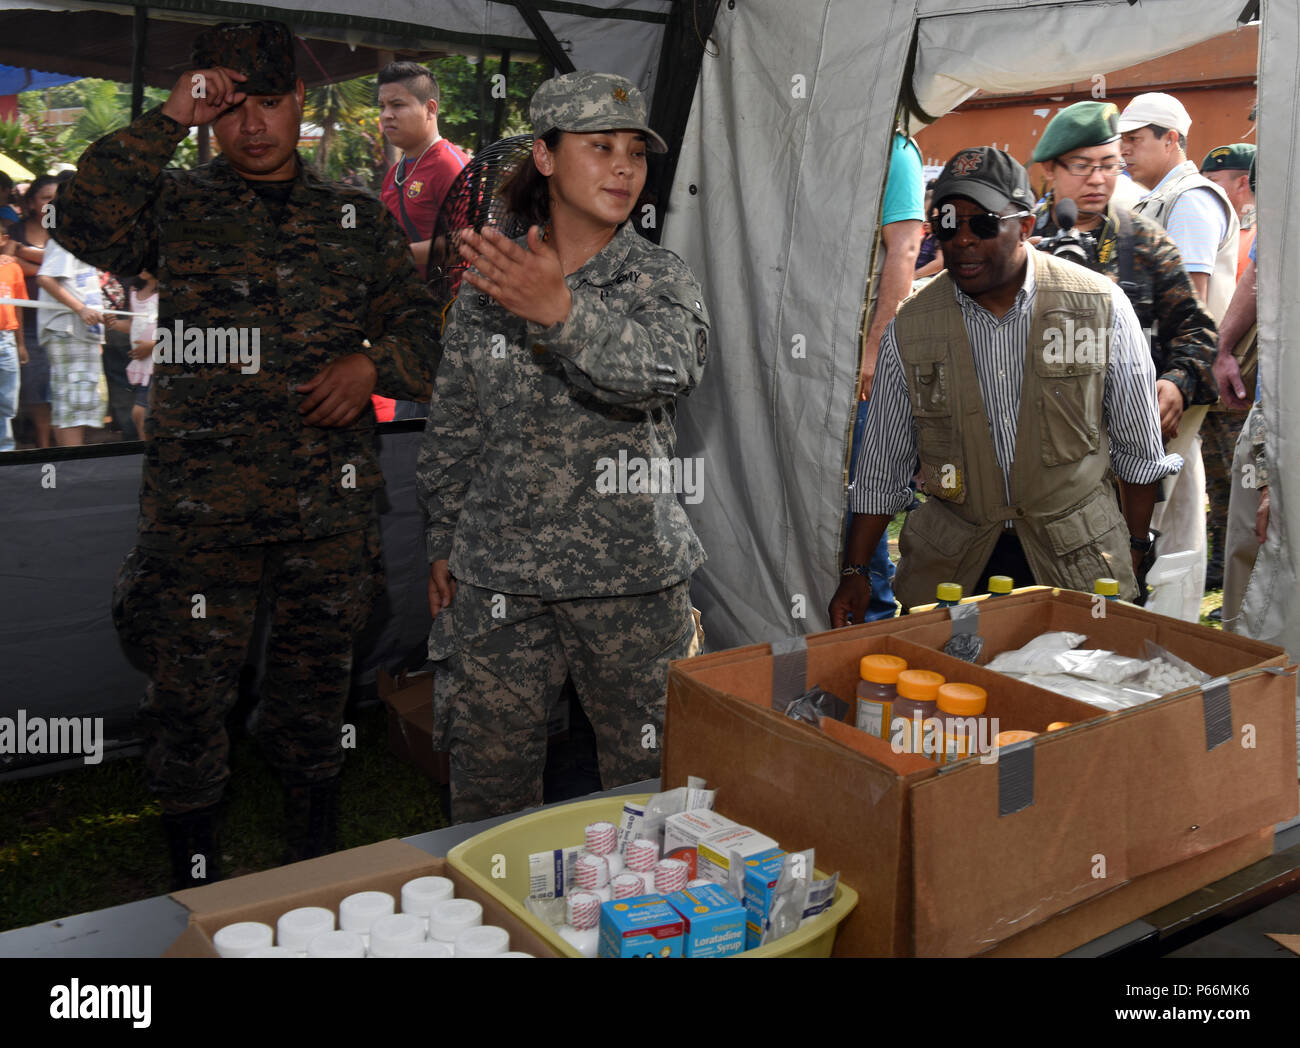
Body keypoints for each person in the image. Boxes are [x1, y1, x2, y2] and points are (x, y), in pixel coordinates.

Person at [53, 20, 438, 887]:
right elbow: (82, 218)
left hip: (325, 506)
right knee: (188, 691)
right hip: (202, 507)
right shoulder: (178, 206)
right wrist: (169, 117)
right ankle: (194, 867)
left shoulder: (352, 216)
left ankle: (310, 856)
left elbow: (421, 328)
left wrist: (371, 362)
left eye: (269, 102)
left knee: (315, 685)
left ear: (300, 103)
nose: (251, 125)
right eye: (228, 107)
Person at [417, 70, 708, 823]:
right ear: (544, 157)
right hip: (499, 580)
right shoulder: (493, 278)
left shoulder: (657, 277)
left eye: (636, 152)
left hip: (631, 580)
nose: (623, 167)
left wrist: (564, 314)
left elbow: (668, 372)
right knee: (489, 790)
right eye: (600, 146)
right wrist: (443, 536)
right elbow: (455, 421)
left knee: (659, 789)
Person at [829, 147, 1180, 623]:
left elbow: (1139, 457)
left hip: (1076, 564)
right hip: (953, 568)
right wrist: (855, 571)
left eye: (984, 223)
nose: (963, 240)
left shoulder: (1099, 307)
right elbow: (880, 470)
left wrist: (1135, 550)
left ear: (1026, 227)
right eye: (948, 224)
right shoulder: (911, 326)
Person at [1031, 101, 1217, 617]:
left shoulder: (1145, 243)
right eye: (1082, 166)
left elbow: (1198, 336)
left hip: (1133, 454)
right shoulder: (1020, 240)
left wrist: (1177, 383)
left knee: (1148, 583)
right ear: (1050, 170)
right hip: (1044, 462)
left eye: (1109, 165)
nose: (1098, 180)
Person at [1118, 93, 1239, 614]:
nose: (1124, 151)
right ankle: (1163, 616)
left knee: (1165, 501)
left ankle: (1164, 618)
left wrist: (1172, 378)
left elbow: (1192, 303)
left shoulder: (1189, 199)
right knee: (1171, 495)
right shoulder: (1158, 199)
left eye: (1135, 139)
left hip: (1175, 381)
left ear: (1171, 140)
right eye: (1120, 139)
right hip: (1163, 378)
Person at [842, 130, 924, 621]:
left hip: (857, 369)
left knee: (862, 499)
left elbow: (905, 250)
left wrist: (874, 350)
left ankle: (872, 620)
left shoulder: (893, 148)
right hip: (814, 364)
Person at [373, 60, 470, 424]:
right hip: (408, 325)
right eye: (382, 106)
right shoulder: (396, 172)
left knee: (426, 429)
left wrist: (399, 255)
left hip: (447, 328)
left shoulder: (449, 164)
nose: (387, 116)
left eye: (398, 105)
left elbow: (474, 239)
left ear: (430, 109)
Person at [1198, 142, 1256, 592]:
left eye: (1217, 183)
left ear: (1243, 182)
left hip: (1243, 370)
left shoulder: (1260, 231)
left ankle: (1245, 568)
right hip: (1216, 365)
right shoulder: (1225, 228)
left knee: (1248, 474)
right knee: (1218, 477)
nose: (1209, 191)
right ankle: (1219, 562)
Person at [35, 236, 105, 447]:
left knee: (77, 403)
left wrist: (97, 334)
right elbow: (45, 278)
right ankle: (74, 467)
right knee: (72, 404)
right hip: (68, 331)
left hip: (83, 333)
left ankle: (73, 465)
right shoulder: (65, 240)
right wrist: (80, 309)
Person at [6, 175, 57, 449]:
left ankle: (65, 444)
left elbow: (70, 265)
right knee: (35, 384)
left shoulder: (69, 231)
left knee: (61, 384)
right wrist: (50, 271)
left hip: (64, 319)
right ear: (31, 202)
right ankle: (43, 445)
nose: (52, 203)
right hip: (29, 322)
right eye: (45, 198)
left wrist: (26, 257)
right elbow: (8, 265)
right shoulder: (15, 230)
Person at [0, 226, 28, 452]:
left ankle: (5, 451)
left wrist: (20, 344)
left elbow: (19, 307)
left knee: (8, 400)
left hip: (6, 339)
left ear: (3, 240)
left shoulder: (12, 269)